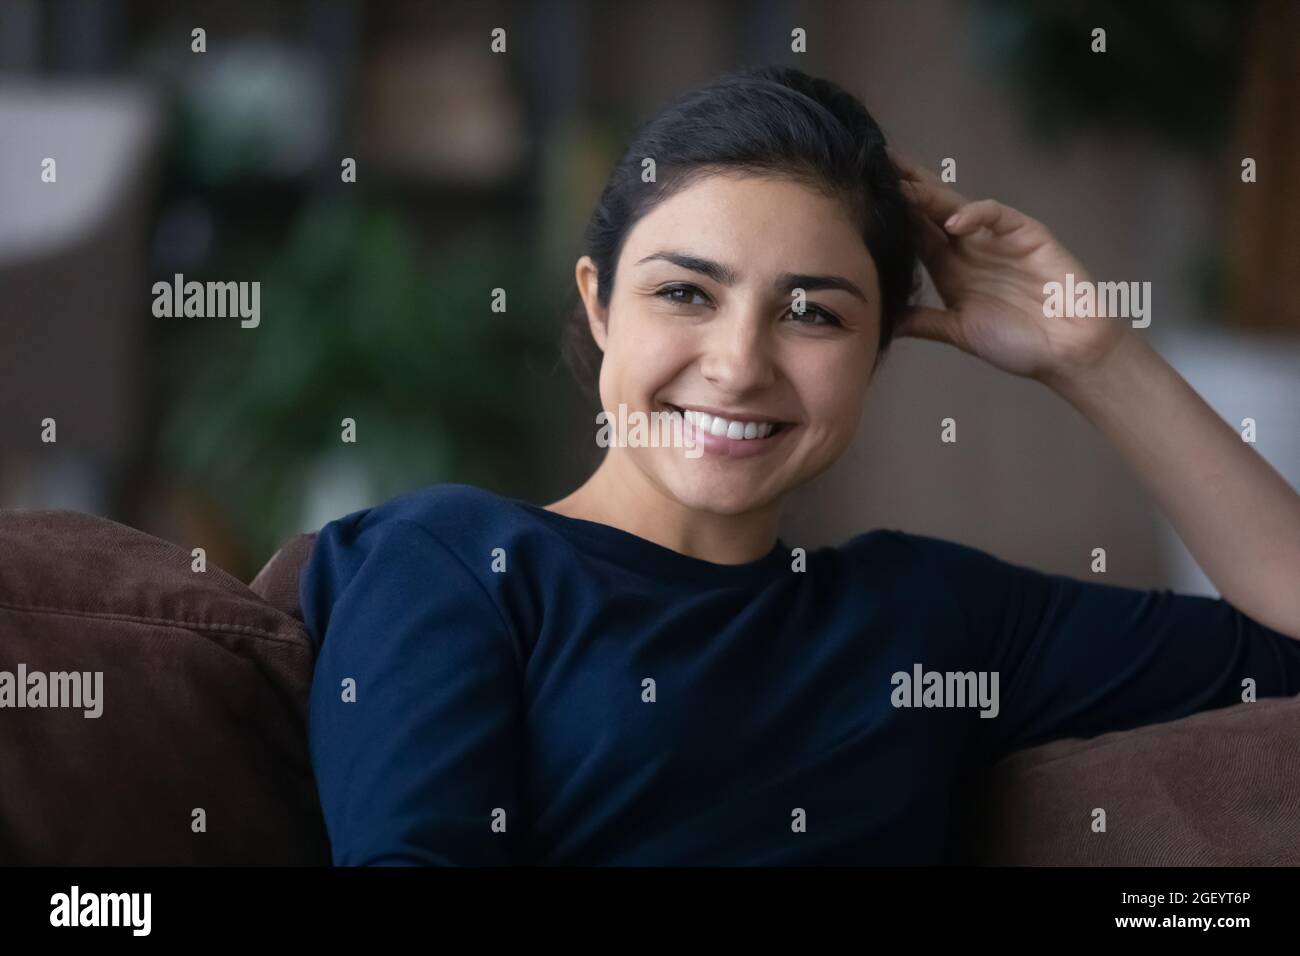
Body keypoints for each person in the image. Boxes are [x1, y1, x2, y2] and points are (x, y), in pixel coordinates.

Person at [300, 65, 1300, 865]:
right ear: (599, 304)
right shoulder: (452, 561)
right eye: (685, 293)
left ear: (876, 354)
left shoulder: (930, 615)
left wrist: (1097, 360)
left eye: (812, 312)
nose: (737, 365)